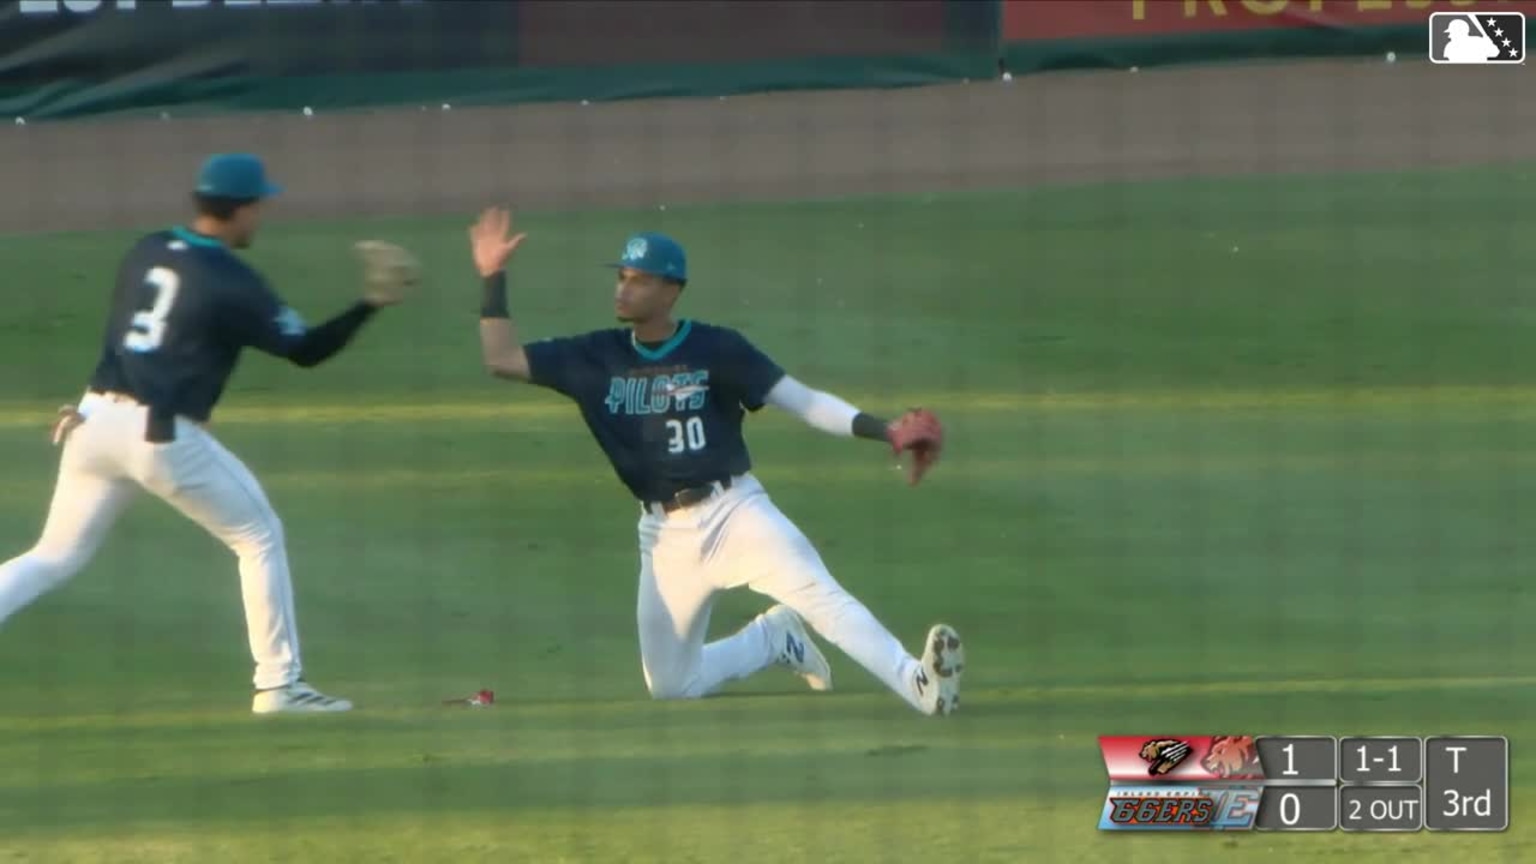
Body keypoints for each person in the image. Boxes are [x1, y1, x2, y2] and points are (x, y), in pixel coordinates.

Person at [468, 207, 964, 715]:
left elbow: (804, 401)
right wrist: (492, 275)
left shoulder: (716, 348)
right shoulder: (595, 357)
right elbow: (500, 359)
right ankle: (773, 640)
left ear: (671, 290)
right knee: (670, 686)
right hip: (663, 539)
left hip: (735, 513)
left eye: (638, 279)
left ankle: (919, 683)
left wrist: (886, 430)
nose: (623, 288)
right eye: (621, 277)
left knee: (823, 598)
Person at [0, 153, 421, 714]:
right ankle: (279, 686)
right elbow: (306, 352)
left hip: (91, 420)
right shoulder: (231, 280)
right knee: (258, 536)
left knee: (52, 555)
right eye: (259, 207)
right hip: (158, 435)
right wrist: (371, 304)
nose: (261, 218)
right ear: (239, 210)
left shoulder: (146, 249)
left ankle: (280, 686)